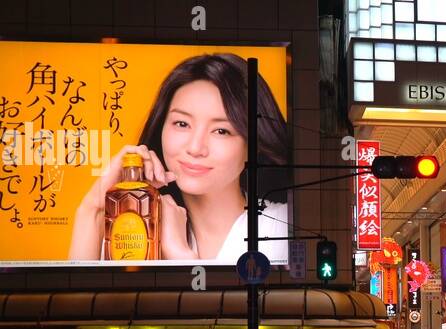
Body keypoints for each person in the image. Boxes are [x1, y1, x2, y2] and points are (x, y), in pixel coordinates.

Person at [69, 54, 289, 264]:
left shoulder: (282, 227)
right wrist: (93, 208)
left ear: (254, 143)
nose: (195, 148)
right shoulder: (132, 227)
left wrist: (179, 254)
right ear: (161, 127)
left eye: (221, 131)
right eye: (182, 124)